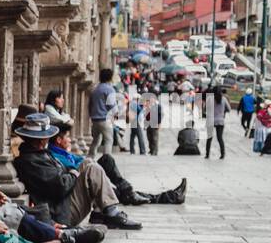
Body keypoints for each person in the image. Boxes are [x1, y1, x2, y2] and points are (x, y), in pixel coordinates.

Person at [12, 112, 143, 230]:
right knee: (92, 168)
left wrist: (71, 171)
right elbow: (61, 186)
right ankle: (111, 213)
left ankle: (105, 211)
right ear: (41, 139)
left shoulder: (39, 154)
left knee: (89, 163)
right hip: (61, 214)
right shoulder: (32, 160)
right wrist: (73, 172)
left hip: (62, 205)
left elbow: (59, 175)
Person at [47, 124, 186, 206]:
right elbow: (75, 168)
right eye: (67, 137)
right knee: (122, 193)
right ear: (58, 140)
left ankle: (169, 196)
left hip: (87, 175)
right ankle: (171, 196)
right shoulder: (56, 154)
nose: (70, 139)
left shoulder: (62, 152)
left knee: (107, 161)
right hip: (82, 183)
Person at [87, 68, 118, 158]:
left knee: (95, 140)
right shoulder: (109, 89)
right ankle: (106, 160)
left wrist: (91, 115)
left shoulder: (95, 89)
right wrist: (116, 114)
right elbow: (112, 104)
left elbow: (90, 105)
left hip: (95, 119)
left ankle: (90, 158)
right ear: (110, 77)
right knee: (108, 140)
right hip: (105, 119)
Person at [205, 84, 229, 159]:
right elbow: (229, 109)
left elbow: (205, 109)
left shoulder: (209, 98)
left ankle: (207, 154)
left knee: (209, 138)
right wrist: (222, 111)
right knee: (220, 138)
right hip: (220, 120)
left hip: (210, 120)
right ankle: (222, 154)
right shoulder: (224, 99)